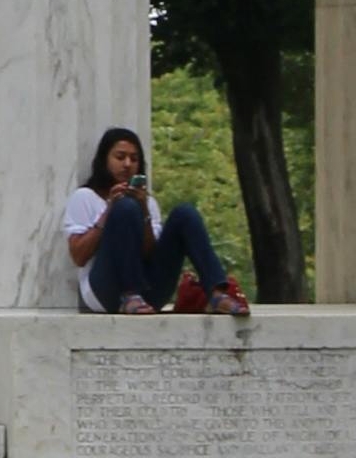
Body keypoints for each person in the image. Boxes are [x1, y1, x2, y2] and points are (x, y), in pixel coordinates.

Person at [62, 125, 244, 319]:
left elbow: (148, 254)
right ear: (104, 160)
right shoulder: (85, 197)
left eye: (134, 159)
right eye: (120, 157)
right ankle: (129, 294)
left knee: (185, 213)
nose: (127, 164)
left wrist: (144, 211)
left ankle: (216, 293)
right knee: (125, 207)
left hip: (149, 292)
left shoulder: (147, 202)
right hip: (106, 290)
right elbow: (79, 257)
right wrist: (109, 211)